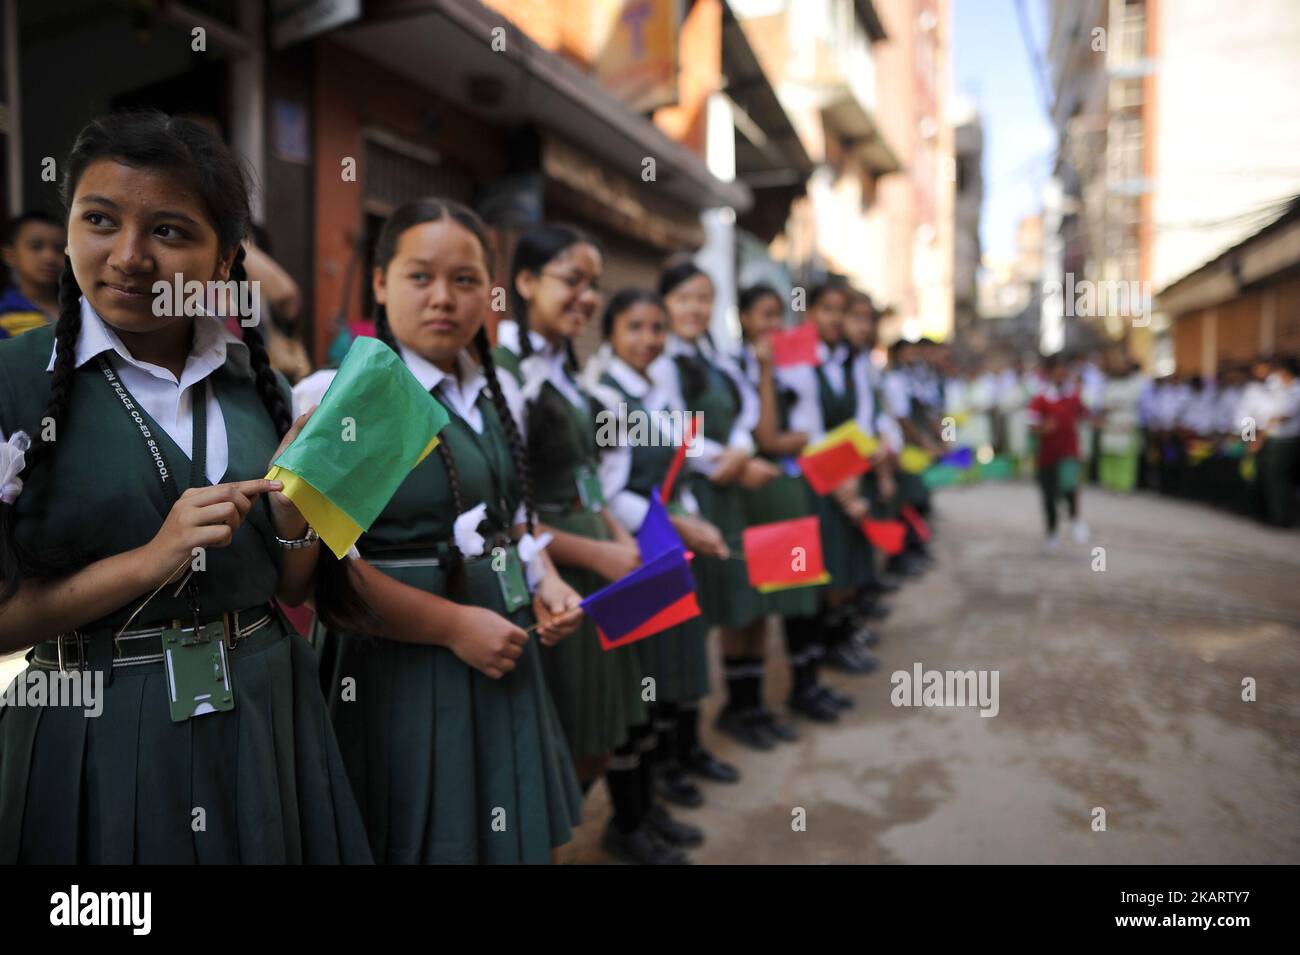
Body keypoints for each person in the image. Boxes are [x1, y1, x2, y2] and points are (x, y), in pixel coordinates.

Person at [0, 112, 371, 863]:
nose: (130, 257)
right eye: (99, 219)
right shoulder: (13, 385)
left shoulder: (259, 387)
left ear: (227, 258)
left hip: (265, 705)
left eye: (170, 231)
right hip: (95, 722)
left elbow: (293, 590)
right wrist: (153, 556)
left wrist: (299, 519)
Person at [298, 198, 586, 863]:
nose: (444, 299)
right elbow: (327, 571)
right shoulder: (340, 398)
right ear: (378, 283)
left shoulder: (493, 391)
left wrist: (549, 581)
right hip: (396, 662)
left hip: (499, 642)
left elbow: (510, 519)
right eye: (419, 276)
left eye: (464, 281)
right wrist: (455, 626)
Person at [495, 224, 703, 863]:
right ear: (525, 282)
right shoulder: (506, 370)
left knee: (607, 721)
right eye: (571, 280)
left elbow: (590, 476)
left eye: (593, 284)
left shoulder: (561, 366)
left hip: (600, 558)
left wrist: (619, 540)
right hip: (553, 568)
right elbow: (504, 510)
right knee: (568, 729)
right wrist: (599, 552)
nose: (585, 296)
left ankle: (610, 823)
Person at [585, 288, 730, 859]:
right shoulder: (604, 397)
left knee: (657, 683)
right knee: (635, 685)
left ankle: (645, 809)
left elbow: (679, 459)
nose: (648, 339)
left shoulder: (657, 391)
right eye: (635, 327)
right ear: (610, 334)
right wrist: (672, 523)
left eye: (656, 328)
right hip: (630, 550)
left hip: (663, 542)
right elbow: (607, 489)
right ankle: (627, 823)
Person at [1027, 354, 1088, 550]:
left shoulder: (1074, 395)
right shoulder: (1041, 397)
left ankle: (1075, 519)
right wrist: (1043, 428)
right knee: (1049, 495)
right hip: (1047, 454)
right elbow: (1032, 425)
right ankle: (1052, 532)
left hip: (1069, 451)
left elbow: (1084, 413)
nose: (1061, 374)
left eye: (1064, 370)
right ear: (1050, 373)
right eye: (1057, 370)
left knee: (1070, 487)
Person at [0, 211, 65, 337]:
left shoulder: (83, 307)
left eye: (58, 249)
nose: (49, 257)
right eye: (36, 246)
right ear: (10, 255)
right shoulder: (4, 313)